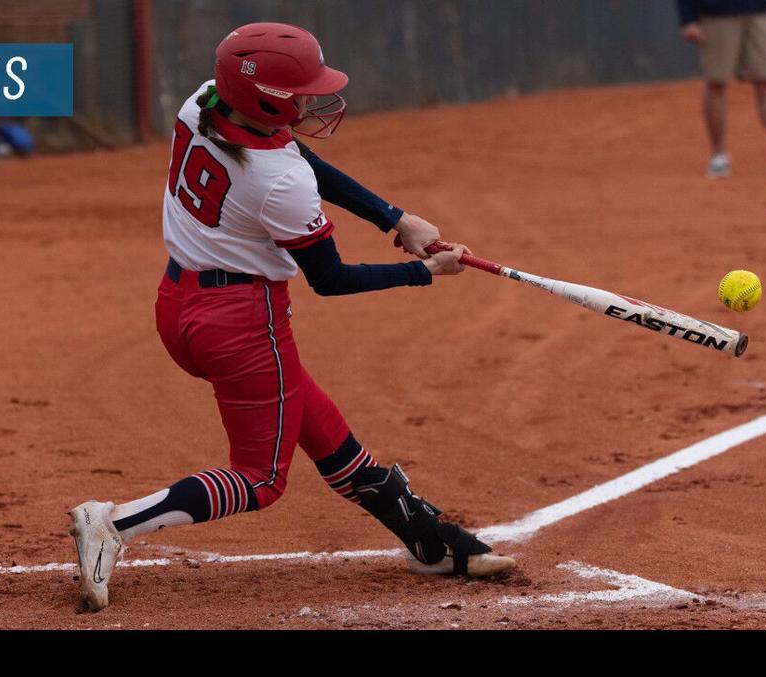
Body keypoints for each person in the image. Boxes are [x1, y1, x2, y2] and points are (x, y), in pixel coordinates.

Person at [68, 22, 516, 610]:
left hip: (180, 303)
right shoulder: (280, 183)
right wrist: (425, 273)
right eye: (300, 92)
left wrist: (394, 218)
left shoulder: (202, 102)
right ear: (268, 100)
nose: (311, 100)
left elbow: (292, 150)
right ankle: (116, 523)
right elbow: (330, 280)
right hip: (244, 326)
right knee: (259, 479)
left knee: (316, 422)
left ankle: (427, 539)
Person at [677, 0, 766, 179]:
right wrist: (687, 19)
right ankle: (718, 156)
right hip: (716, 14)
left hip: (760, 12)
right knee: (716, 83)